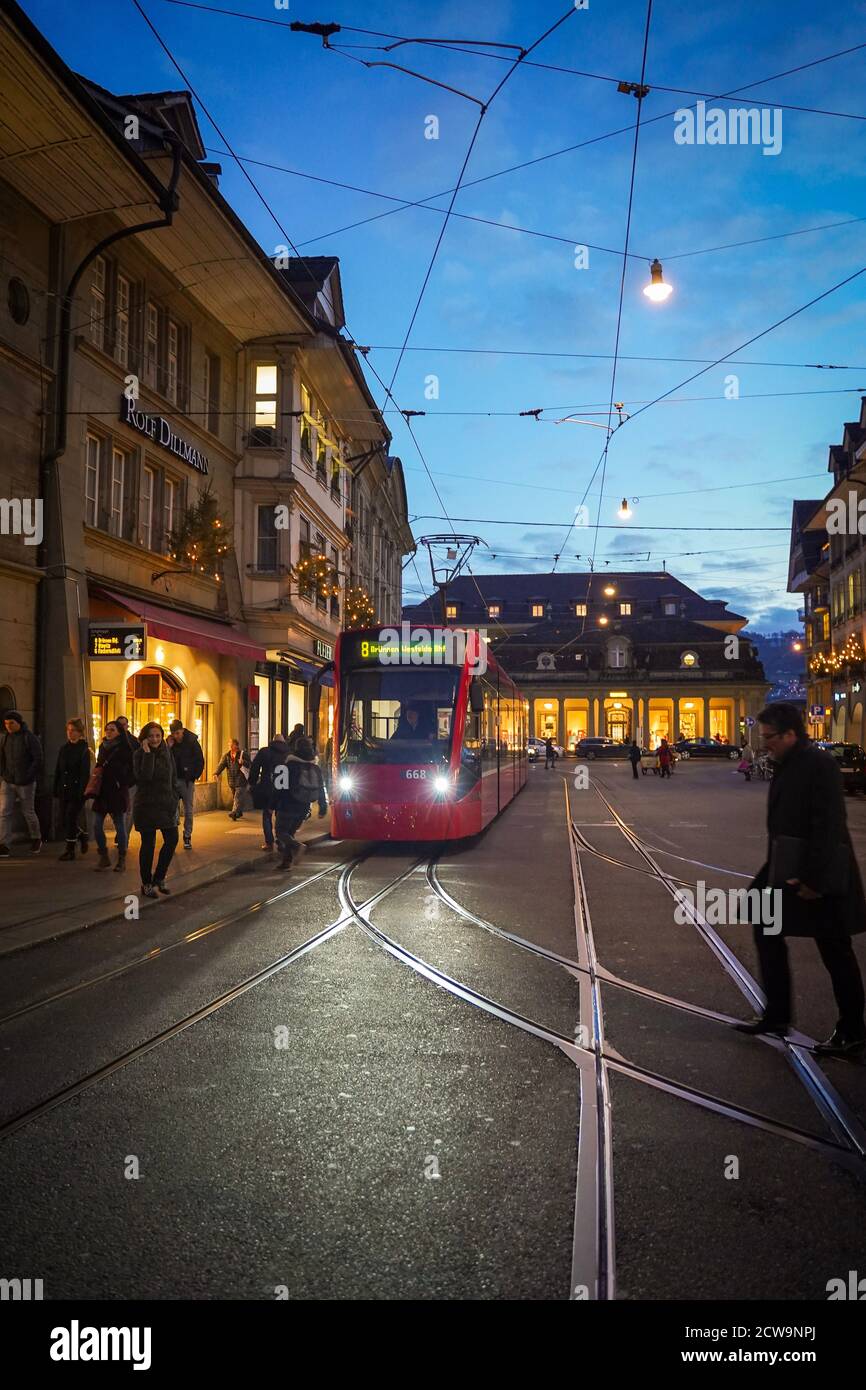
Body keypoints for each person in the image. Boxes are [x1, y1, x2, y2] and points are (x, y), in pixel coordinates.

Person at [738, 702, 866, 1055]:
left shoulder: (819, 764)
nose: (766, 744)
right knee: (765, 925)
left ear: (791, 733)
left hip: (819, 874)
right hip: (786, 867)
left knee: (835, 948)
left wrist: (815, 880)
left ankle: (853, 1029)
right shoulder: (788, 762)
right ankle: (777, 1014)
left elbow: (829, 826)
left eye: (770, 738)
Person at [133, 723, 180, 898]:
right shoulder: (139, 754)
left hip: (166, 805)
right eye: (151, 736)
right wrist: (147, 754)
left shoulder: (167, 752)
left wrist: (175, 796)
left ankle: (159, 877)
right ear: (145, 737)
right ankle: (146, 883)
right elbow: (144, 777)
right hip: (146, 806)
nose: (155, 739)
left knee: (172, 839)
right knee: (148, 845)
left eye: (158, 736)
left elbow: (173, 776)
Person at [271, 735, 328, 871]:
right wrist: (322, 807)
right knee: (290, 833)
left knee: (281, 833)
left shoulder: (288, 765)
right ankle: (286, 862)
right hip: (304, 807)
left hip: (287, 805)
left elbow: (279, 787)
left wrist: (272, 805)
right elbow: (321, 788)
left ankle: (297, 847)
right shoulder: (315, 767)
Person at [89, 720, 134, 871]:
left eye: (112, 730)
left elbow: (132, 771)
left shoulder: (125, 749)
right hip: (102, 791)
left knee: (120, 825)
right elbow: (100, 765)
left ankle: (121, 858)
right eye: (107, 729)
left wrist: (122, 782)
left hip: (117, 791)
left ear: (119, 732)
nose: (108, 732)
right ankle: (103, 855)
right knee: (96, 825)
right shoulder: (102, 746)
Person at [0, 708, 44, 856]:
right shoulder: (5, 737)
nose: (8, 726)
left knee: (28, 811)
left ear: (18, 723)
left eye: (11, 723)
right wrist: (3, 773)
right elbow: (2, 757)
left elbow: (38, 758)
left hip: (25, 782)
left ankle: (36, 838)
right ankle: (4, 844)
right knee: (4, 812)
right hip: (8, 780)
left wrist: (28, 776)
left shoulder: (29, 737)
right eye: (6, 723)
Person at [53, 718, 92, 860]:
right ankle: (81, 834)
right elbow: (58, 769)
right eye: (68, 731)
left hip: (77, 790)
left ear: (80, 732)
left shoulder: (83, 750)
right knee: (63, 819)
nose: (70, 733)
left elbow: (84, 773)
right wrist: (56, 788)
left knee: (70, 816)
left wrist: (81, 792)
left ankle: (70, 850)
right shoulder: (64, 748)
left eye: (73, 731)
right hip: (64, 789)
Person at [168, 718, 204, 850]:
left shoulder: (192, 742)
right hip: (173, 780)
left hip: (187, 781)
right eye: (173, 734)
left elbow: (200, 760)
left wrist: (193, 776)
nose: (176, 736)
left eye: (177, 733)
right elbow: (165, 759)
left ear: (182, 730)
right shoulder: (170, 743)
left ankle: (187, 836)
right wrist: (169, 746)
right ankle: (173, 836)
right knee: (173, 809)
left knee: (188, 810)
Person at [249, 733, 288, 853]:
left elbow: (255, 767)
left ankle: (269, 842)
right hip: (284, 789)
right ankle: (282, 841)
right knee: (281, 816)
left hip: (268, 788)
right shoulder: (289, 753)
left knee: (267, 815)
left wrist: (252, 782)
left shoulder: (265, 752)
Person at [115, 715, 139, 842]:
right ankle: (121, 832)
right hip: (115, 782)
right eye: (119, 725)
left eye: (124, 725)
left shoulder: (134, 742)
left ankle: (124, 837)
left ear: (127, 726)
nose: (122, 727)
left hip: (130, 782)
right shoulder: (111, 741)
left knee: (128, 811)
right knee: (117, 810)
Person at [215, 739, 251, 819]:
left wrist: (243, 762)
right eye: (229, 744)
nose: (230, 746)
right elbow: (221, 765)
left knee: (237, 797)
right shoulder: (227, 755)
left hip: (241, 780)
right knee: (236, 796)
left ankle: (234, 812)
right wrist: (216, 773)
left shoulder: (243, 754)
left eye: (232, 744)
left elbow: (250, 765)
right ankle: (238, 812)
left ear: (236, 745)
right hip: (232, 780)